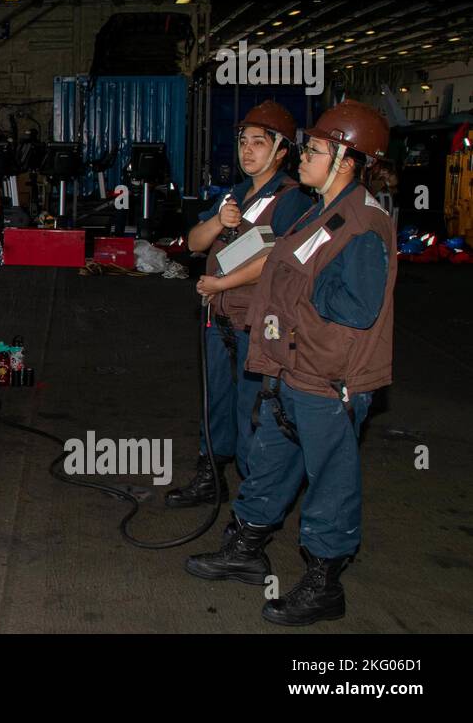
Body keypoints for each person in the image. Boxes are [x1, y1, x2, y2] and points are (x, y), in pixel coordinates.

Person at [185, 100, 395, 627]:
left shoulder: (363, 224)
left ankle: (325, 582)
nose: (304, 157)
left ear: (345, 158)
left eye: (315, 150)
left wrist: (302, 293)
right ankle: (245, 548)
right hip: (290, 369)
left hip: (331, 379)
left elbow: (358, 305)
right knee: (272, 462)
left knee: (331, 480)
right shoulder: (319, 209)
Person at [169, 102, 312, 507]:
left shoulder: (291, 200)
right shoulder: (233, 196)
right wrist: (219, 221)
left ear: (282, 151)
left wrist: (222, 282)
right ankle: (211, 474)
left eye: (259, 143)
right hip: (220, 320)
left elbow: (279, 257)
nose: (247, 151)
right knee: (216, 400)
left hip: (257, 324)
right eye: (243, 142)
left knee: (255, 409)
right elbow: (194, 242)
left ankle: (254, 499)